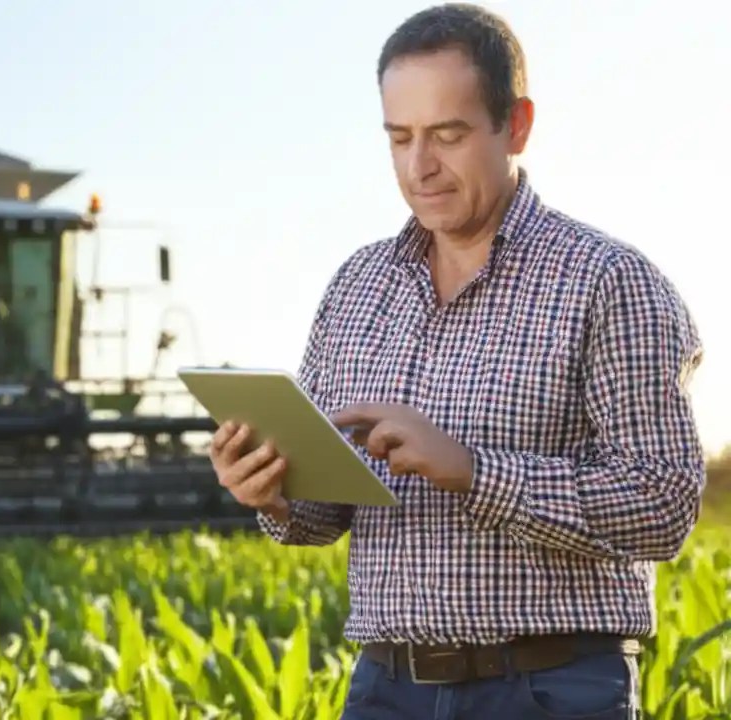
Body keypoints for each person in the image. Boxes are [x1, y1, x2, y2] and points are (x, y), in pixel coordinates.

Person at [208, 4, 706, 719]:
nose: (420, 166)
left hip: (550, 688)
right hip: (383, 687)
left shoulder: (609, 281)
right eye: (400, 137)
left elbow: (662, 504)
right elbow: (324, 513)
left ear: (517, 125)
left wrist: (471, 470)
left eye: (448, 134)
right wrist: (272, 491)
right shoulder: (357, 286)